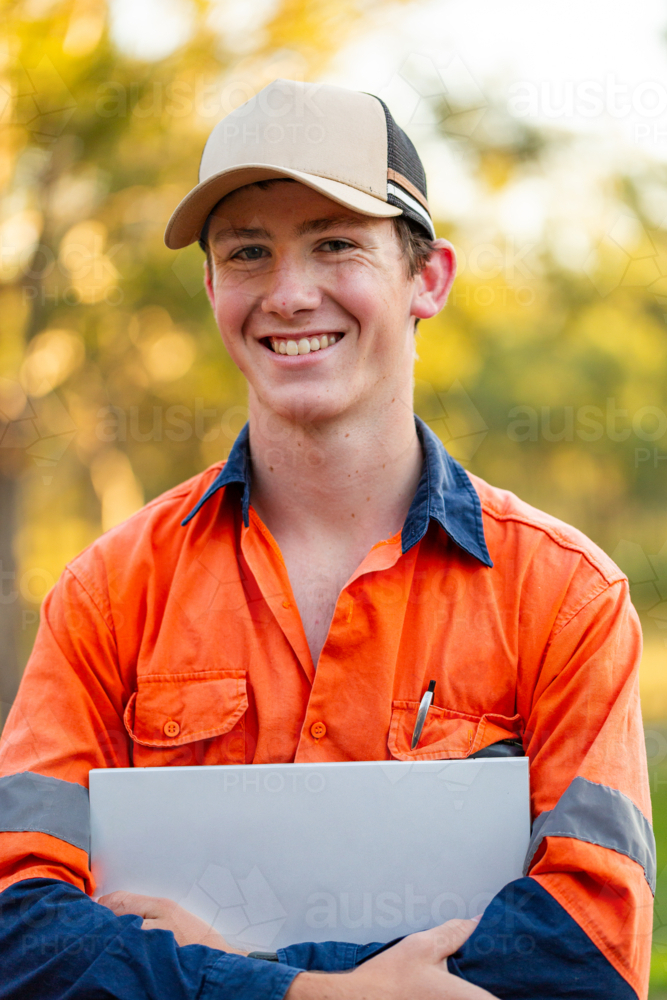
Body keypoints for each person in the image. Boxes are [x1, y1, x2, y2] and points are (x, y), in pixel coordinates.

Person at [0, 79, 653, 1000]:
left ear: (427, 278)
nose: (289, 293)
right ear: (212, 286)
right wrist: (321, 993)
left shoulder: (563, 597)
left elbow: (586, 952)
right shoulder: (110, 593)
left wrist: (223, 976)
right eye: (249, 253)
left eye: (335, 244)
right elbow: (21, 934)